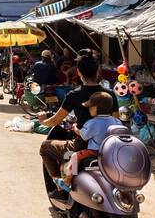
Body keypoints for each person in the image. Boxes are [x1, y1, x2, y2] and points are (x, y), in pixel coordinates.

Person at [38, 55, 106, 195]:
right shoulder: (108, 94)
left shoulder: (74, 95)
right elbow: (117, 120)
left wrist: (43, 121)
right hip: (107, 145)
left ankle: (59, 183)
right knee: (72, 154)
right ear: (98, 71)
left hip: (82, 143)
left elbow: (56, 120)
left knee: (45, 148)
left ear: (79, 72)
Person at [60, 91, 118, 189]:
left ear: (96, 108)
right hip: (112, 152)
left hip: (95, 152)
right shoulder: (116, 121)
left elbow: (84, 135)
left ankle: (66, 181)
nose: (89, 109)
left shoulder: (92, 122)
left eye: (90, 107)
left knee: (74, 156)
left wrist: (75, 128)